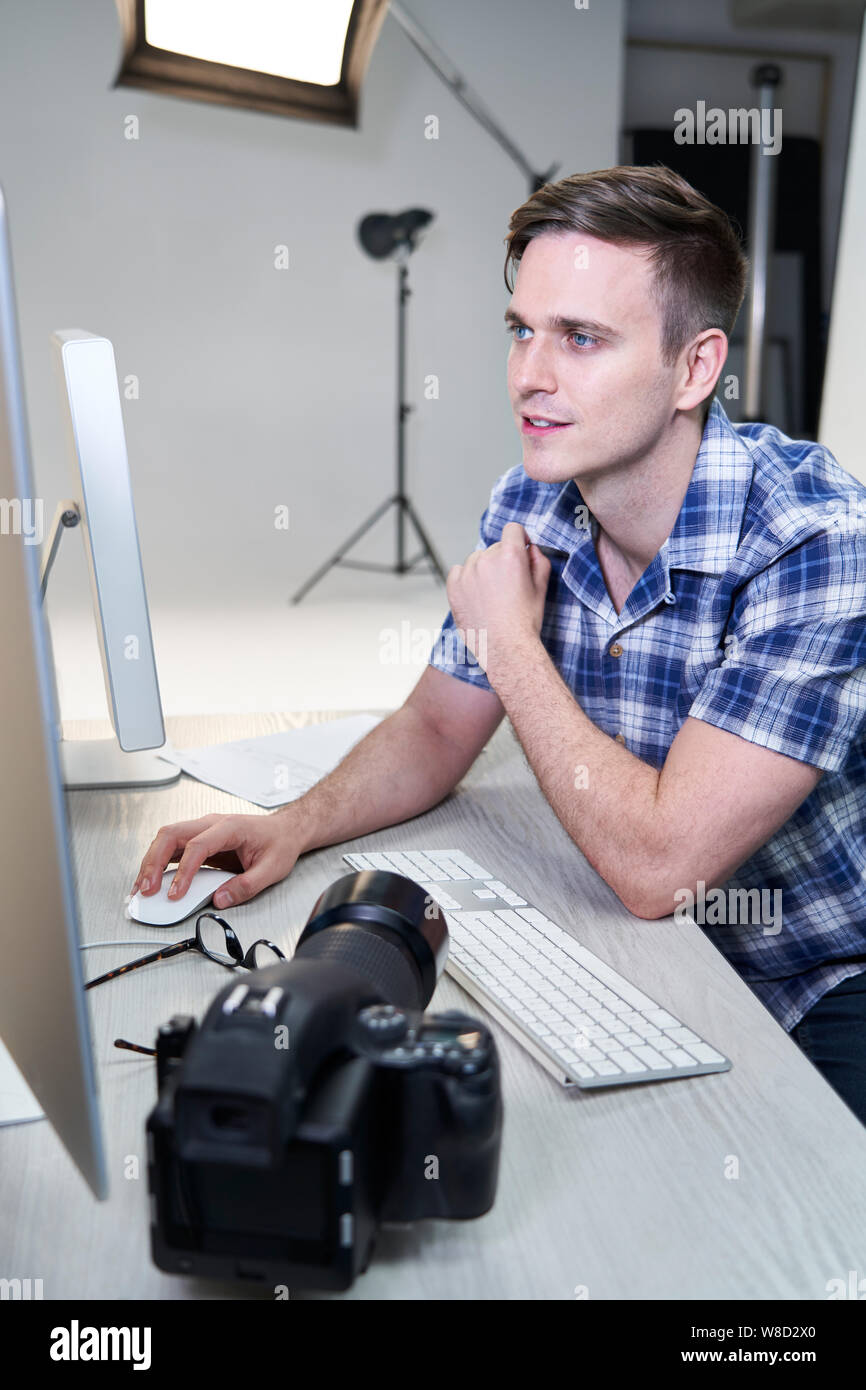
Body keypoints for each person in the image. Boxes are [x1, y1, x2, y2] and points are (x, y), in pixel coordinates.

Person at [132, 165, 866, 1123]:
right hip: (642, 946)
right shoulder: (531, 501)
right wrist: (294, 825)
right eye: (522, 330)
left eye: (581, 338)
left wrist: (510, 644)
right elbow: (438, 728)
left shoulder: (815, 539)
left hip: (818, 972)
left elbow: (663, 868)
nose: (529, 376)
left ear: (695, 369)